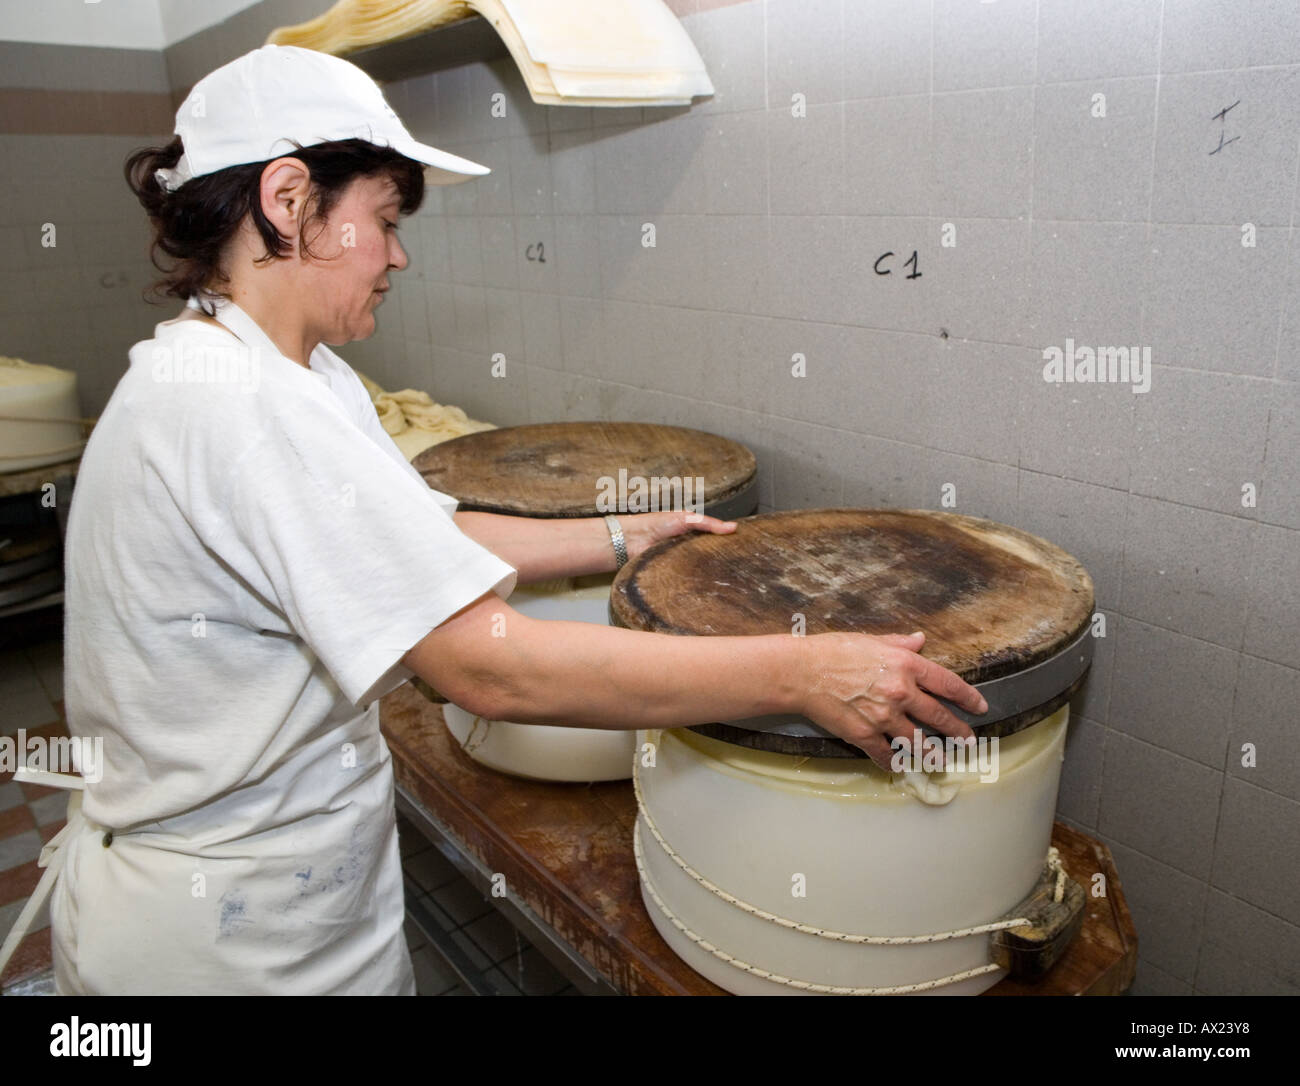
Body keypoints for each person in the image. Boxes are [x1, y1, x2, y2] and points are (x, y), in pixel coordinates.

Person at [44, 45, 985, 995]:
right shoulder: (236, 405)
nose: (398, 254)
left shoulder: (286, 374)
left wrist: (624, 537)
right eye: (383, 220)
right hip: (226, 937)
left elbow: (426, 539)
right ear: (289, 202)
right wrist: (801, 670)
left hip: (284, 893)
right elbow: (484, 665)